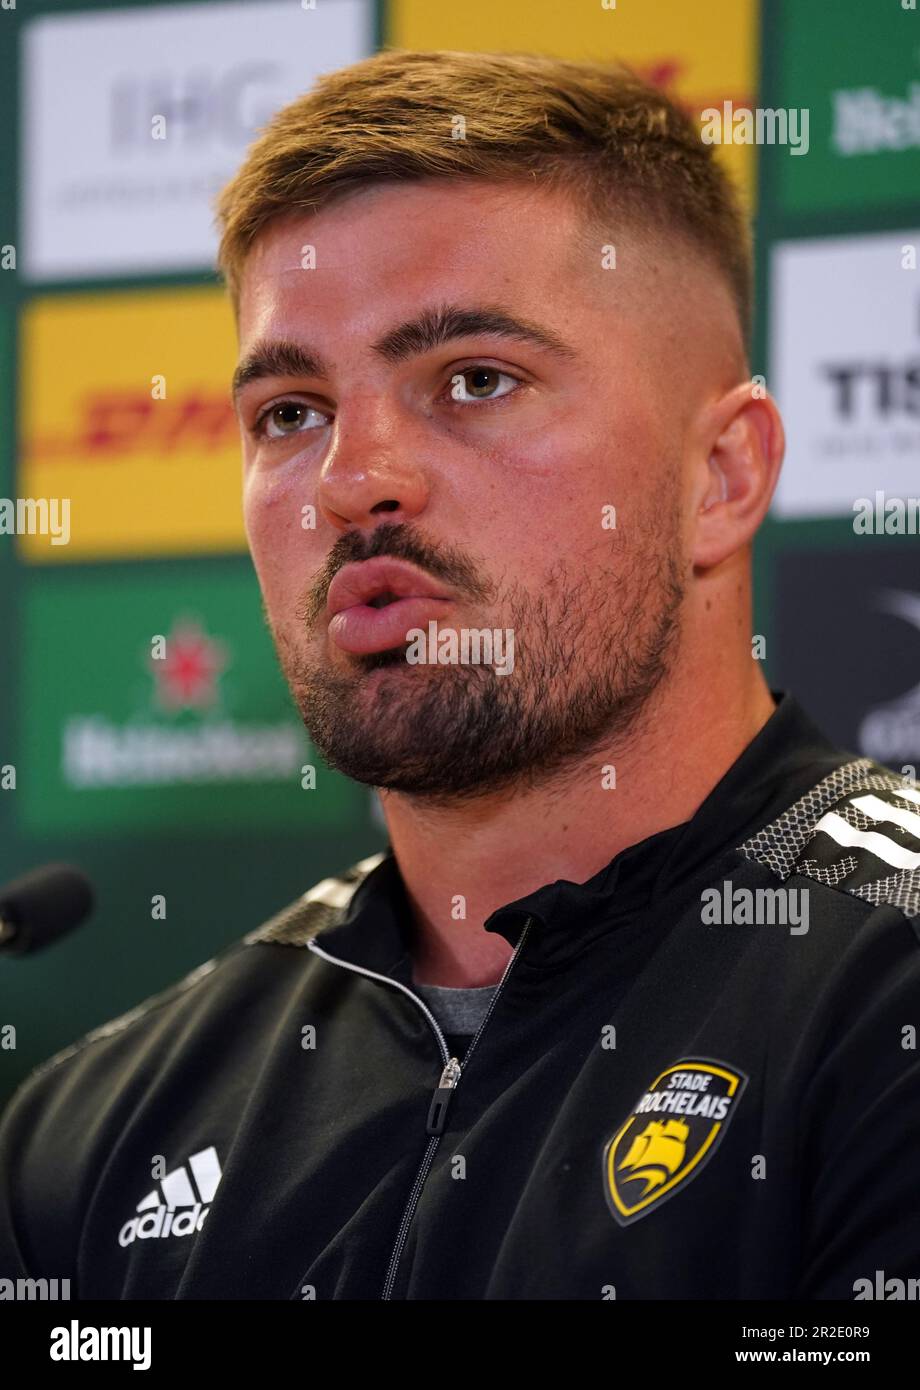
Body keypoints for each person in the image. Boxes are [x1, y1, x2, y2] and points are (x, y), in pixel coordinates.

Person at [1, 50, 918, 1301]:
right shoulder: (94, 1130)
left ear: (722, 478)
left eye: (474, 380)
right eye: (289, 411)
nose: (351, 477)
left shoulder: (885, 991)